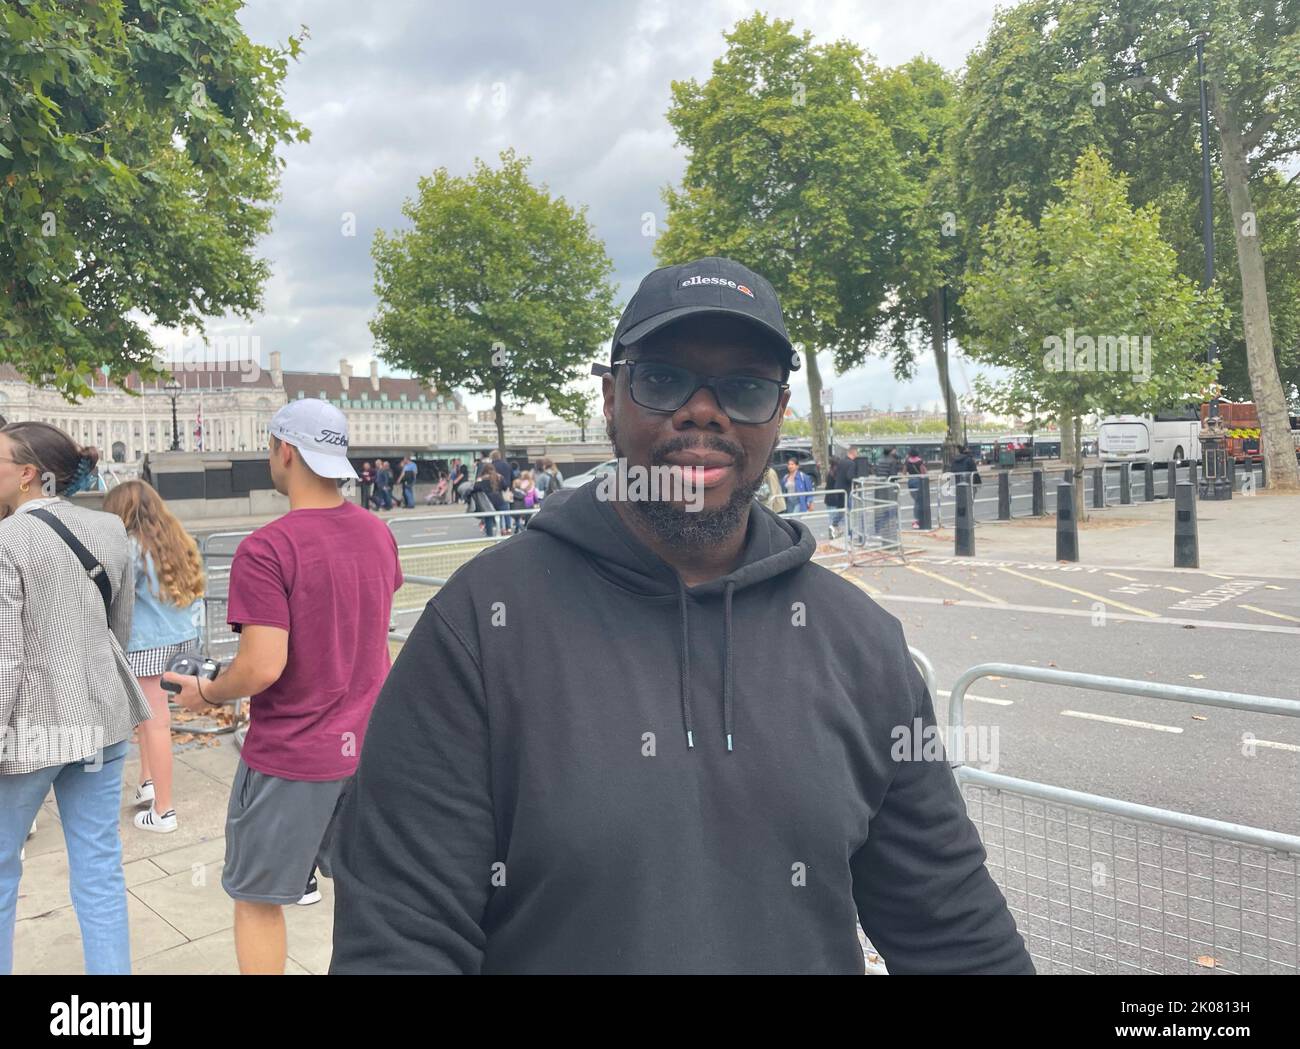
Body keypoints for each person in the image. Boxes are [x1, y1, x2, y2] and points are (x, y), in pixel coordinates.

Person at [330, 255, 1032, 975]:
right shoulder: (478, 631)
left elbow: (955, 930)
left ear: (780, 413)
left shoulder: (861, 645)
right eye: (663, 378)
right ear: (609, 399)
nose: (705, 410)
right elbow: (400, 942)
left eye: (746, 386)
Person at [166, 399, 402, 974]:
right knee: (364, 897)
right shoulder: (377, 533)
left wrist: (209, 693)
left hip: (293, 756)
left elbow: (262, 667)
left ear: (285, 451)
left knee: (258, 899)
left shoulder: (267, 548)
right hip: (370, 748)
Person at [0, 423, 151, 975]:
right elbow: (120, 629)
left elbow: (4, 660)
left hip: (30, 732)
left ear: (27, 475)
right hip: (103, 719)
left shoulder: (6, 542)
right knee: (99, 863)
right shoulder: (110, 528)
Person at [102, 480, 205, 834]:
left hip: (146, 644)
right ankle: (148, 781)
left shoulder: (128, 548)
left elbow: (115, 596)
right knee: (151, 718)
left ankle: (164, 811)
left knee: (153, 723)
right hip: (181, 640)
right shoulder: (174, 542)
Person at [830, 445, 858, 538]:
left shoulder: (841, 461)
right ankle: (850, 532)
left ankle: (834, 524)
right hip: (847, 490)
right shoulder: (852, 464)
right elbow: (849, 477)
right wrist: (855, 481)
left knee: (842, 509)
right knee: (849, 511)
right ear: (854, 453)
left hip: (838, 488)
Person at [903, 447, 929, 529]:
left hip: (911, 482)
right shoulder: (920, 461)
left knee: (916, 500)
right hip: (919, 482)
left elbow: (903, 473)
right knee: (918, 501)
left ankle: (917, 519)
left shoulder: (907, 461)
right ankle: (918, 519)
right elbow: (923, 472)